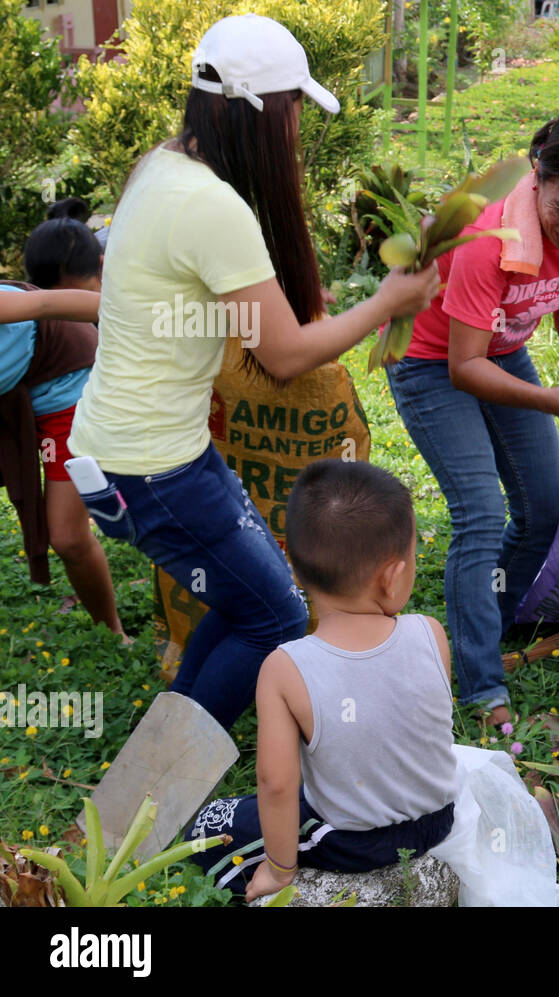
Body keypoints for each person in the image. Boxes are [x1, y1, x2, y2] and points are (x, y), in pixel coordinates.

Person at [66, 14, 441, 729]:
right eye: (295, 106)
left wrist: (288, 307)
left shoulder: (164, 164)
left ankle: (172, 735)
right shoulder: (214, 206)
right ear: (263, 114)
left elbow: (182, 307)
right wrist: (393, 299)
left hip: (141, 445)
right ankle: (163, 783)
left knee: (254, 603)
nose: (299, 124)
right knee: (273, 616)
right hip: (150, 465)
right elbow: (289, 354)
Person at [387, 110, 559, 727]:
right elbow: (464, 367)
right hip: (430, 359)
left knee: (546, 509)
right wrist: (554, 401)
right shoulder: (491, 238)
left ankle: (491, 620)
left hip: (503, 350)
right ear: (536, 175)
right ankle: (481, 684)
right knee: (481, 512)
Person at [185, 460, 457, 901]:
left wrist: (278, 870)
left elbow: (276, 784)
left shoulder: (285, 666)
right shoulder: (431, 633)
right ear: (392, 576)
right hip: (438, 819)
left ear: (292, 568)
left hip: (353, 842)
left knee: (211, 825)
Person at [0, 206, 123, 634]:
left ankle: (114, 634)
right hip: (27, 396)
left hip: (66, 389)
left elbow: (51, 300)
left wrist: (134, 311)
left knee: (69, 537)